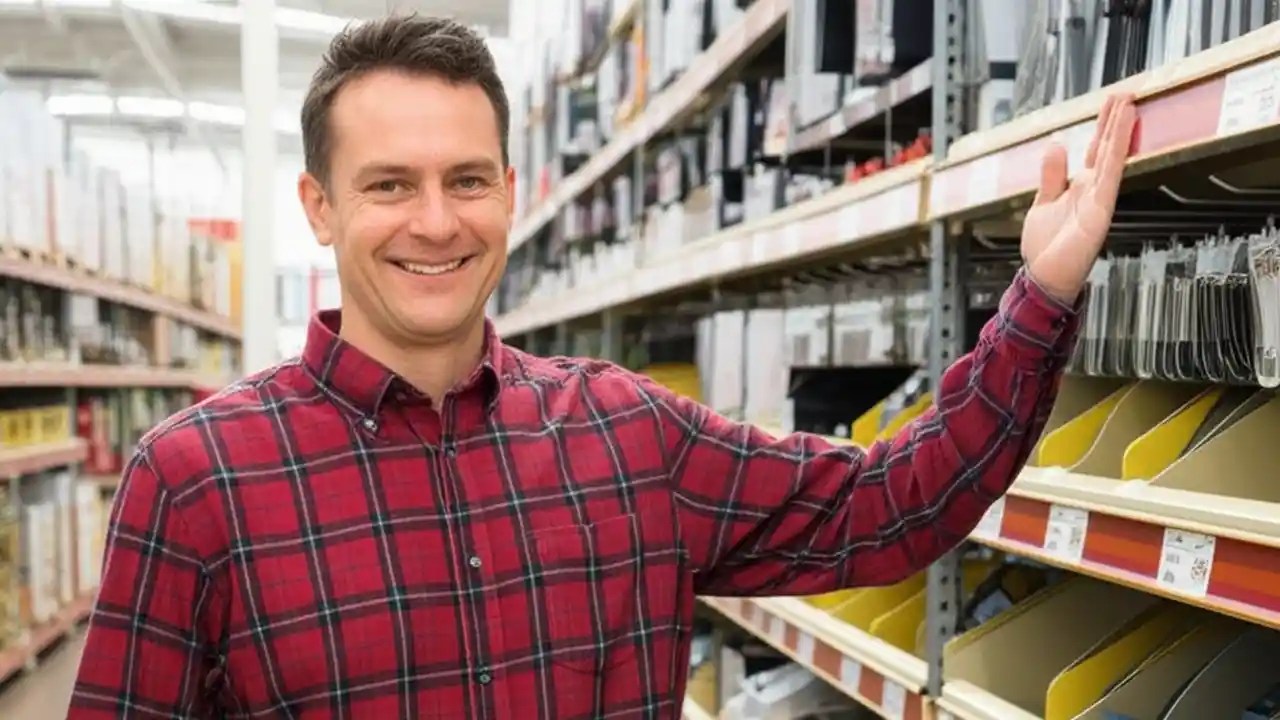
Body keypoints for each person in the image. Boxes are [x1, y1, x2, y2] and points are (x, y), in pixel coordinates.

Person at [69, 13, 1137, 720]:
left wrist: (1034, 299)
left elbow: (892, 507)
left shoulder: (629, 435)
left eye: (467, 180)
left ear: (511, 190)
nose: (435, 223)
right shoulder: (197, 478)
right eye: (389, 184)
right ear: (320, 208)